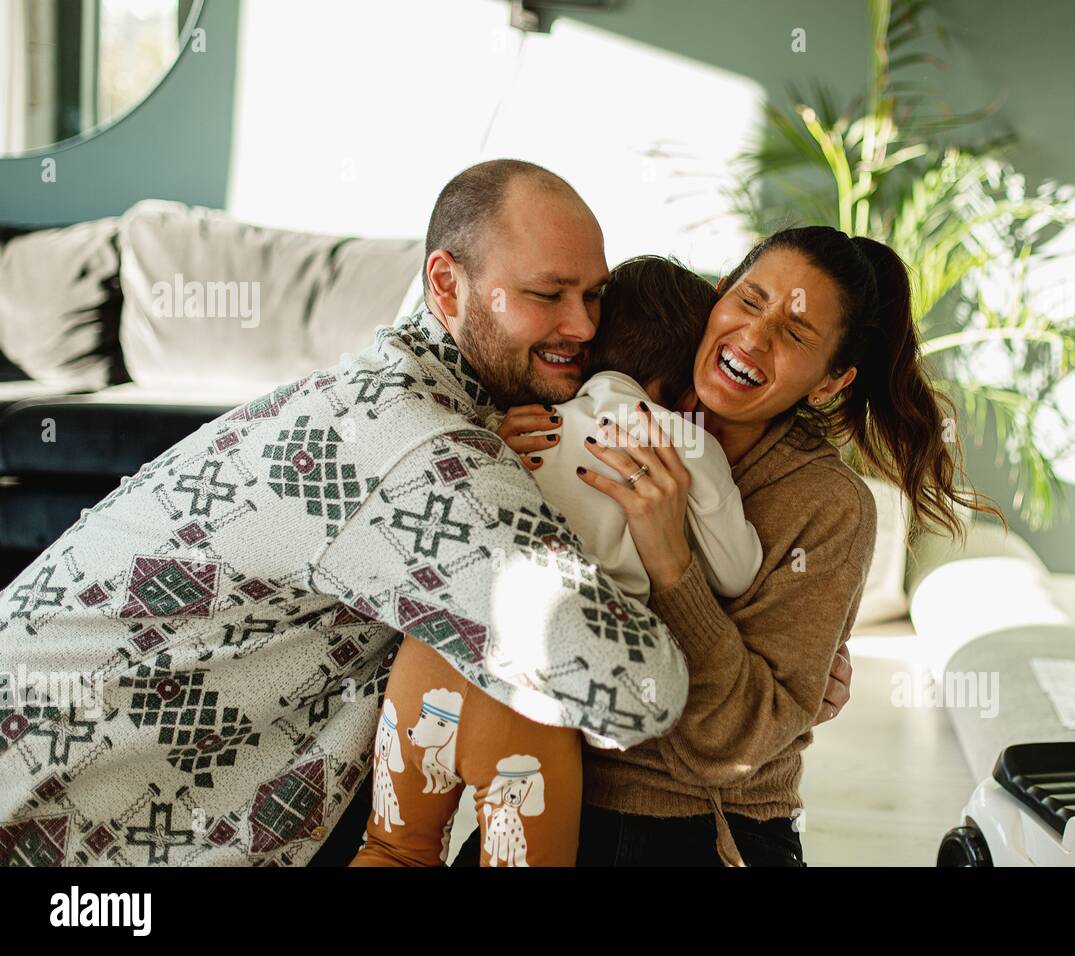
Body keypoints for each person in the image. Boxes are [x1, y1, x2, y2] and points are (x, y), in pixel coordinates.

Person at [0, 159, 698, 866]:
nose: (582, 325)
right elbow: (634, 688)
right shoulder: (417, 453)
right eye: (547, 294)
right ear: (446, 284)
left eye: (594, 295)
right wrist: (690, 582)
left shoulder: (391, 391)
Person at [452, 225, 1005, 866]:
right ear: (716, 298)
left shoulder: (827, 504)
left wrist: (671, 560)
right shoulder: (572, 399)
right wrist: (500, 452)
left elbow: (734, 743)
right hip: (550, 790)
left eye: (796, 334)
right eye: (749, 300)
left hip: (703, 826)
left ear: (829, 382)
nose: (754, 337)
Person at [349, 255, 763, 866]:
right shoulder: (684, 441)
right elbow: (738, 571)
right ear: (684, 376)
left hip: (434, 651)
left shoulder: (518, 427)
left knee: (393, 849)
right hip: (537, 686)